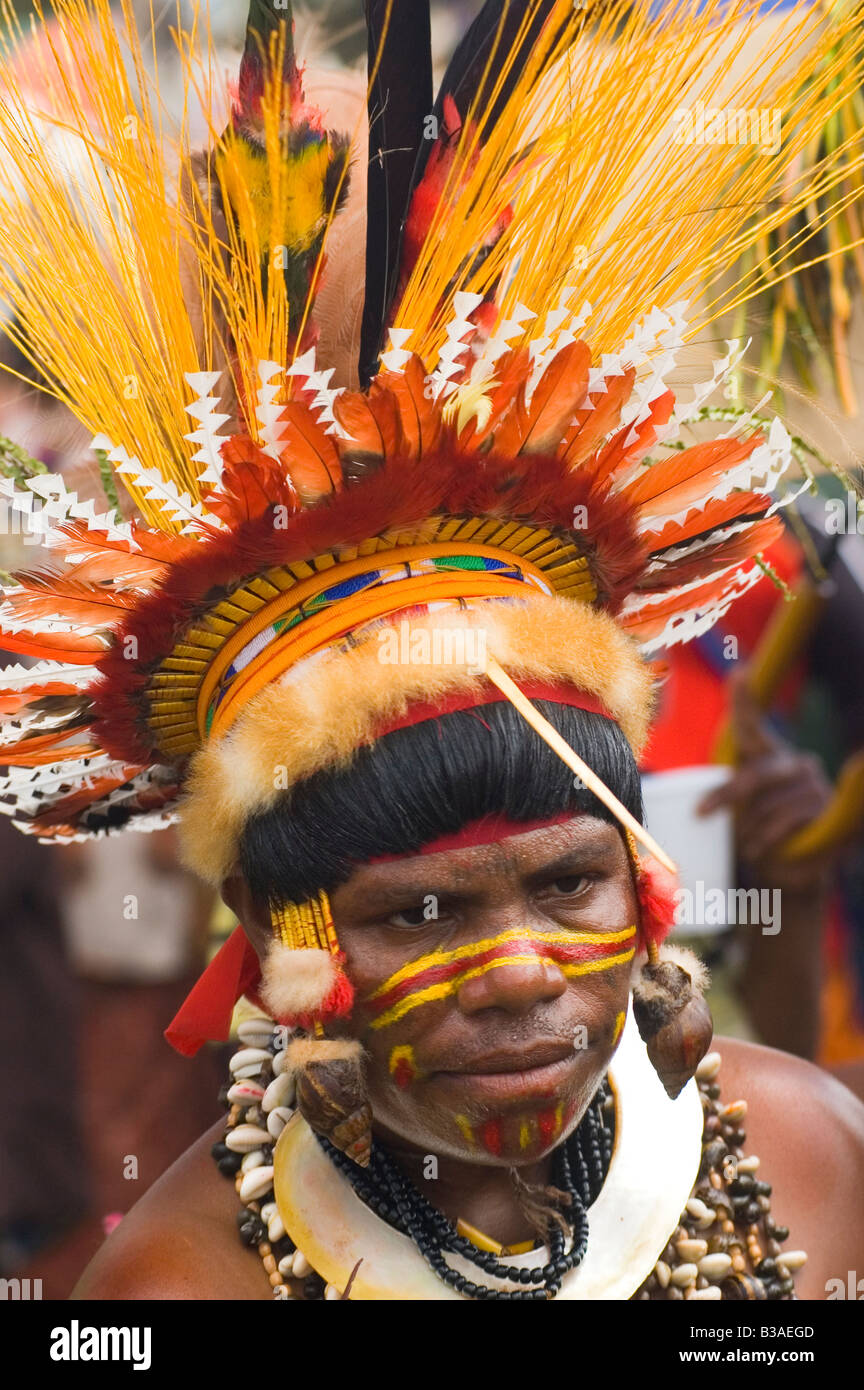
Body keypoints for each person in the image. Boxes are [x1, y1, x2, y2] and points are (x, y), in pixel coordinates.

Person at [0, 0, 863, 1301]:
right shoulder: (173, 1292)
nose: (518, 975)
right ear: (273, 935)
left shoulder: (811, 1164)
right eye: (419, 911)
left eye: (568, 883)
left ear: (648, 884)